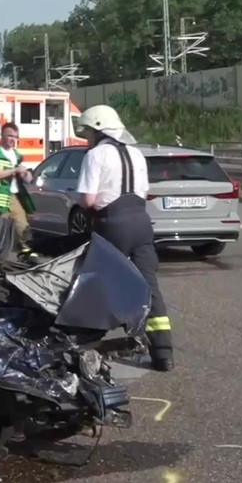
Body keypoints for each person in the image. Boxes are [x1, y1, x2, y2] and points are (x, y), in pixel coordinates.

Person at [73, 105, 173, 372]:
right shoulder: (136, 154)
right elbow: (144, 191)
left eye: (88, 132)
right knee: (149, 286)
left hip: (111, 223)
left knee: (97, 282)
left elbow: (88, 199)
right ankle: (163, 353)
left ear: (97, 129)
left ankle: (83, 345)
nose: (86, 138)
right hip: (141, 222)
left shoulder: (95, 156)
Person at [0, 122, 40, 262]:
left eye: (15, 137)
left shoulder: (17, 155)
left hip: (14, 196)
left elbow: (26, 177)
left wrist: (26, 175)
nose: (12, 139)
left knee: (22, 226)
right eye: (9, 136)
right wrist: (14, 170)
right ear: (2, 135)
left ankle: (28, 254)